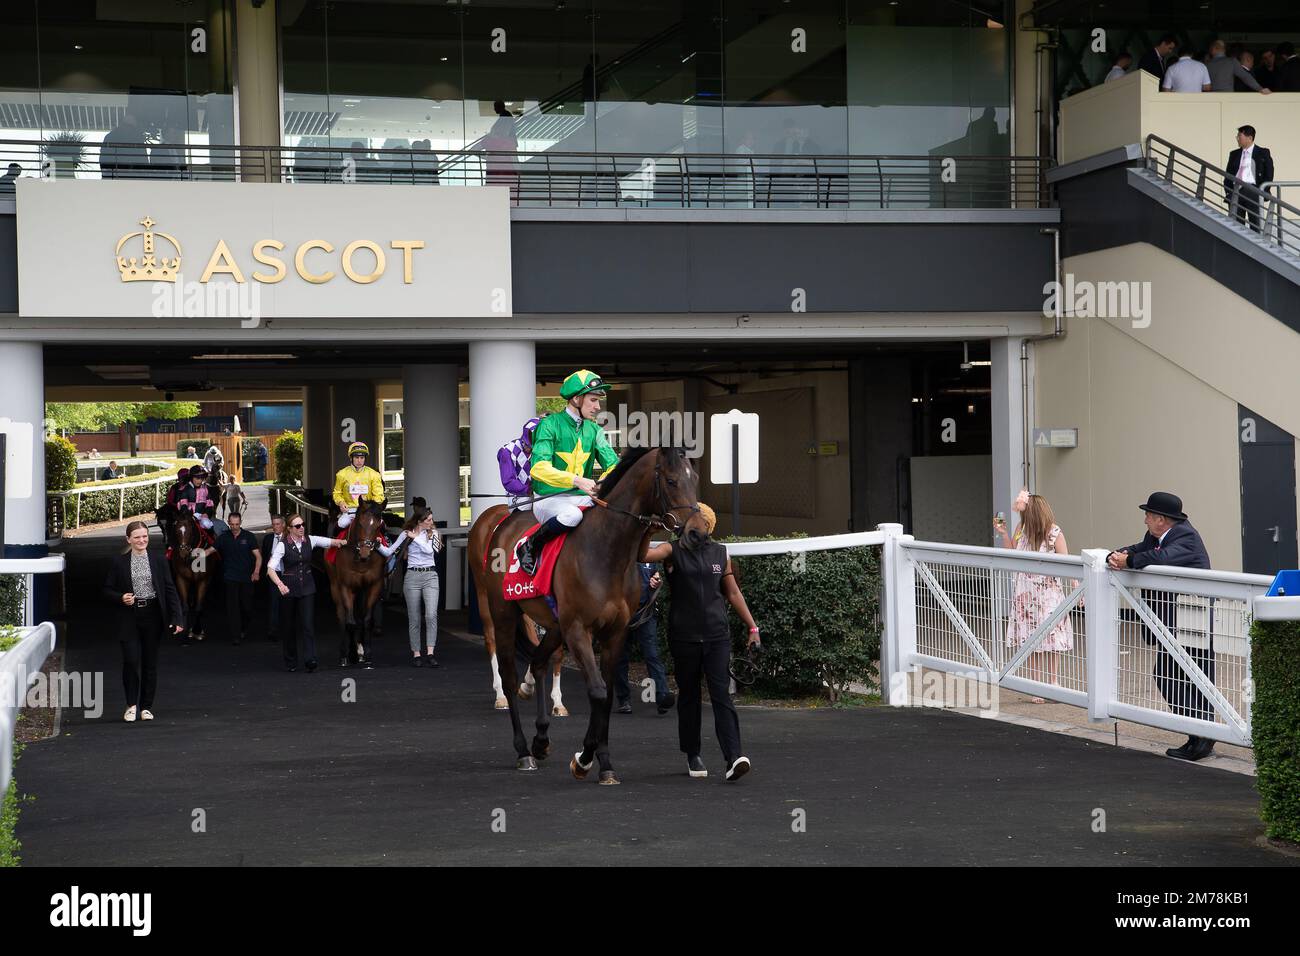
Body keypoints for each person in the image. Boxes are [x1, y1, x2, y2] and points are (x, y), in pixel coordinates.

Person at [643, 503, 758, 781]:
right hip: (684, 636)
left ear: (708, 526)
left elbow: (732, 593)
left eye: (701, 521)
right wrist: (649, 531)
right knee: (690, 696)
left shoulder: (721, 553)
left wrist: (753, 626)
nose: (696, 524)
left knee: (721, 695)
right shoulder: (672, 550)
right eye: (691, 520)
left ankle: (734, 757)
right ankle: (693, 753)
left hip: (717, 635)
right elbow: (641, 554)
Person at [1107, 492, 1216, 762]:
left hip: (1192, 623)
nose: (1145, 520)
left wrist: (1129, 562)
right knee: (1176, 676)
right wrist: (1115, 555)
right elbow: (1138, 550)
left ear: (1160, 520)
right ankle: (1198, 736)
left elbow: (1162, 558)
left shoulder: (1185, 537)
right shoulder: (1156, 537)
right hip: (1175, 622)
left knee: (1185, 677)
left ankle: (1203, 736)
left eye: (1148, 515)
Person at [518, 370, 620, 576]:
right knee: (572, 515)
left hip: (583, 498)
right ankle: (530, 545)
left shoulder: (594, 431)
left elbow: (614, 465)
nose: (598, 407)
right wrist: (576, 480)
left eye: (598, 401)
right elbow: (538, 469)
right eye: (593, 400)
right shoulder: (549, 425)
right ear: (576, 398)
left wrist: (601, 483)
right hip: (549, 498)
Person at [102, 521, 185, 722]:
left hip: (153, 615)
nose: (141, 540)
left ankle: (146, 707)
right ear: (128, 539)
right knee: (131, 660)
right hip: (128, 616)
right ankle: (131, 705)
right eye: (137, 537)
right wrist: (121, 597)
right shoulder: (118, 562)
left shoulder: (158, 559)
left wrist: (177, 617)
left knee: (150, 662)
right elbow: (106, 589)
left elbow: (169, 588)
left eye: (145, 536)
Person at [995, 490, 1073, 703]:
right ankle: (1036, 683)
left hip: (1048, 592)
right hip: (1025, 590)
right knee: (1032, 636)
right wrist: (1003, 534)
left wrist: (1075, 584)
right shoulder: (1021, 529)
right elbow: (1013, 553)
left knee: (1051, 634)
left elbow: (1066, 561)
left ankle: (1054, 680)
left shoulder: (1054, 532)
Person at [266, 516, 344, 672]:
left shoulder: (311, 539)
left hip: (307, 588)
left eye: (303, 525)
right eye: (297, 526)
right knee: (288, 627)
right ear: (289, 528)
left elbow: (332, 542)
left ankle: (310, 659)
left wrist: (349, 541)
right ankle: (291, 661)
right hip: (288, 590)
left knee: (308, 625)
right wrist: (280, 584)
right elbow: (270, 569)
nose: (301, 528)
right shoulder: (282, 545)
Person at [614, 562, 674, 715]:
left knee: (652, 654)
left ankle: (662, 697)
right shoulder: (623, 552)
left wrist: (657, 580)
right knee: (621, 657)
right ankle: (623, 699)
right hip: (622, 613)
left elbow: (656, 575)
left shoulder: (650, 556)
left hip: (645, 613)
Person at [387, 505, 442, 667]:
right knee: (414, 617)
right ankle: (416, 653)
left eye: (432, 519)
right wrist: (377, 544)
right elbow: (390, 550)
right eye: (429, 520)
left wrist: (415, 537)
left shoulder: (435, 534)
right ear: (420, 521)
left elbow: (429, 551)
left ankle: (430, 652)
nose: (432, 522)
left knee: (431, 615)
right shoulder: (406, 534)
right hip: (412, 576)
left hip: (430, 576)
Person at [214, 511, 261, 646]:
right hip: (230, 577)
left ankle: (244, 626)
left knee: (247, 607)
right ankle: (236, 635)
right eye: (232, 524)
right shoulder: (224, 537)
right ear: (228, 523)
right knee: (232, 607)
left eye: (237, 524)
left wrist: (256, 572)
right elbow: (211, 550)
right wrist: (196, 554)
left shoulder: (249, 537)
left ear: (240, 523)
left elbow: (258, 556)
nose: (234, 527)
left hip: (247, 578)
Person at [1224, 125, 1274, 233]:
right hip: (1236, 191)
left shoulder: (1263, 152)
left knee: (1256, 227)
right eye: (1237, 136)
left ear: (1249, 138)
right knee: (1236, 228)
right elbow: (1228, 175)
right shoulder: (1234, 154)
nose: (1237, 138)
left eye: (1239, 136)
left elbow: (1269, 174)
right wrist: (1228, 191)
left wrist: (1262, 192)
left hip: (1253, 191)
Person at [332, 441, 385, 531]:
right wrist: (341, 503)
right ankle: (336, 544)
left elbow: (379, 496)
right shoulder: (341, 474)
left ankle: (385, 543)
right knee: (340, 525)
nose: (359, 461)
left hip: (368, 511)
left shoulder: (374, 475)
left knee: (382, 526)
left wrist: (371, 508)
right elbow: (337, 493)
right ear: (351, 458)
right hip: (349, 510)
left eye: (362, 457)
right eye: (356, 457)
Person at [497, 417, 540, 508]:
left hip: (540, 492)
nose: (532, 450)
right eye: (529, 446)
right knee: (526, 505)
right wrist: (527, 490)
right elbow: (508, 481)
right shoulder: (507, 452)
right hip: (519, 495)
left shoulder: (544, 449)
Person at [260, 514, 286, 644]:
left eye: (277, 524)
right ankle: (273, 631)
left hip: (287, 575)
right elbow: (264, 556)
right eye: (273, 524)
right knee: (274, 603)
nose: (275, 527)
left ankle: (287, 630)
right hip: (273, 575)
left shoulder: (289, 538)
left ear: (283, 525)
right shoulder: (268, 539)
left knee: (287, 603)